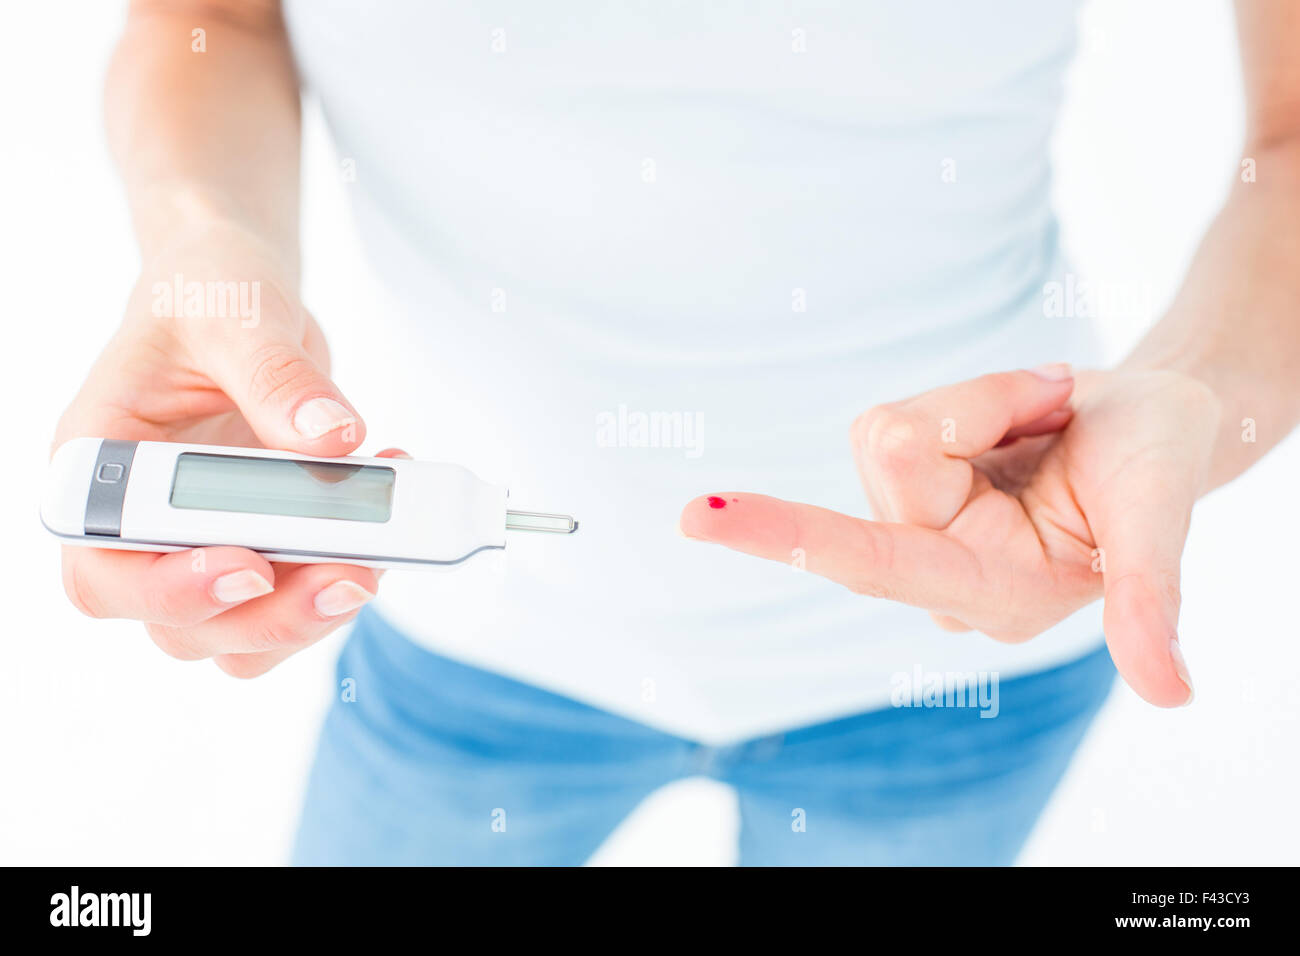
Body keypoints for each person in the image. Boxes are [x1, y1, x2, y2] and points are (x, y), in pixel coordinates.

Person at [55, 0, 1299, 865]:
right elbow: (207, 17)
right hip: (465, 646)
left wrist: (1188, 390)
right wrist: (203, 245)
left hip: (971, 656)